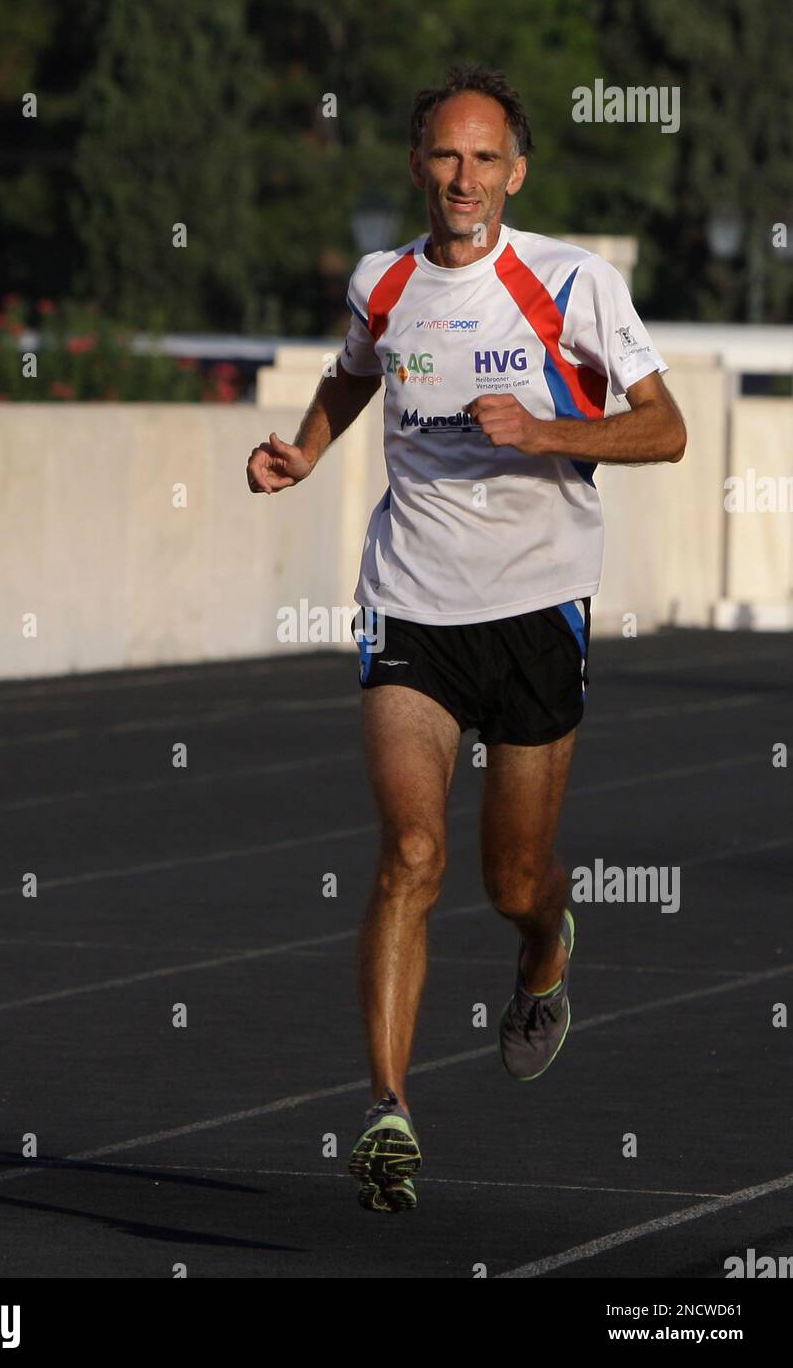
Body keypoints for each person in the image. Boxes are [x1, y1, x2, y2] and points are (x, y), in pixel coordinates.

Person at [246, 65, 685, 1214]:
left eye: (486, 159)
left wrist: (546, 429)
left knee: (512, 877)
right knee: (410, 856)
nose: (464, 179)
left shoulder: (570, 282)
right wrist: (302, 451)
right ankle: (387, 1110)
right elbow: (351, 380)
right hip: (412, 605)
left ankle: (547, 951)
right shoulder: (382, 283)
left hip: (538, 608)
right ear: (416, 165)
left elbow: (668, 430)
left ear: (517, 172)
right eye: (446, 156)